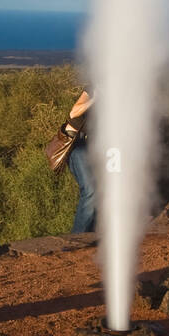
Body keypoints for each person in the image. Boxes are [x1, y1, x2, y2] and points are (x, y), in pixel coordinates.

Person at [63, 90, 96, 233]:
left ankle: (91, 235)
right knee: (90, 190)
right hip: (76, 145)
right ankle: (77, 237)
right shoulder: (94, 87)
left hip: (93, 148)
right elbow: (73, 112)